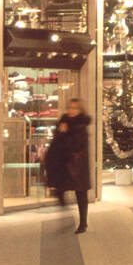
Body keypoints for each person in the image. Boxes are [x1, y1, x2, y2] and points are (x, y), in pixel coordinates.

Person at [44, 98, 91, 234]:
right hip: (64, 163)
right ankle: (65, 206)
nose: (72, 110)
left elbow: (75, 145)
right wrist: (61, 132)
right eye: (70, 107)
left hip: (78, 165)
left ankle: (83, 223)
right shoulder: (63, 122)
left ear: (80, 110)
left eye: (75, 108)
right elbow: (56, 143)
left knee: (81, 193)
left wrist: (64, 133)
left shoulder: (81, 125)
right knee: (59, 188)